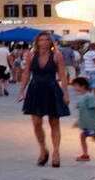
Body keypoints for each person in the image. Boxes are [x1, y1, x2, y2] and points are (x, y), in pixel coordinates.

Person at [18, 30, 70, 167]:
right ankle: (43, 149)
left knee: (54, 122)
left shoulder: (57, 56)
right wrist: (22, 91)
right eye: (42, 40)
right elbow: (26, 73)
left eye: (47, 40)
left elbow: (63, 75)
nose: (44, 42)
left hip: (52, 89)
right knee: (36, 123)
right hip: (35, 89)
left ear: (50, 42)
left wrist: (65, 92)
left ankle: (56, 153)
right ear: (37, 42)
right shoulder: (30, 55)